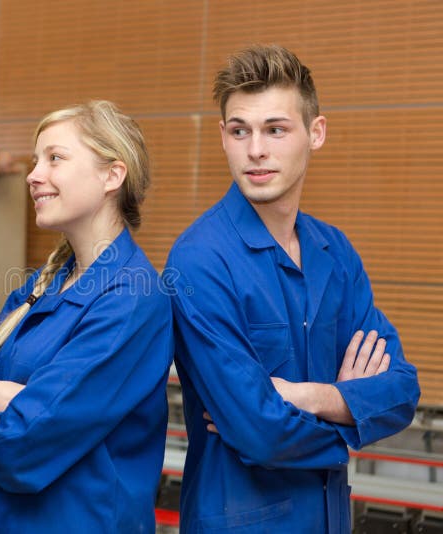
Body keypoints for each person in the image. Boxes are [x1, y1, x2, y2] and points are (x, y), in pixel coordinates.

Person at [164, 44, 420, 533]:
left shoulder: (335, 252)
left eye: (276, 129)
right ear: (222, 137)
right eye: (240, 131)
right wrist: (352, 419)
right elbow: (258, 432)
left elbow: (402, 390)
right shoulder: (200, 260)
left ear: (315, 133)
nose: (255, 149)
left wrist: (313, 397)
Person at [0, 100, 174, 532]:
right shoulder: (45, 283)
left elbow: (26, 442)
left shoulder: (132, 299)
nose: (32, 175)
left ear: (112, 175)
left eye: (55, 158)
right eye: (35, 160)